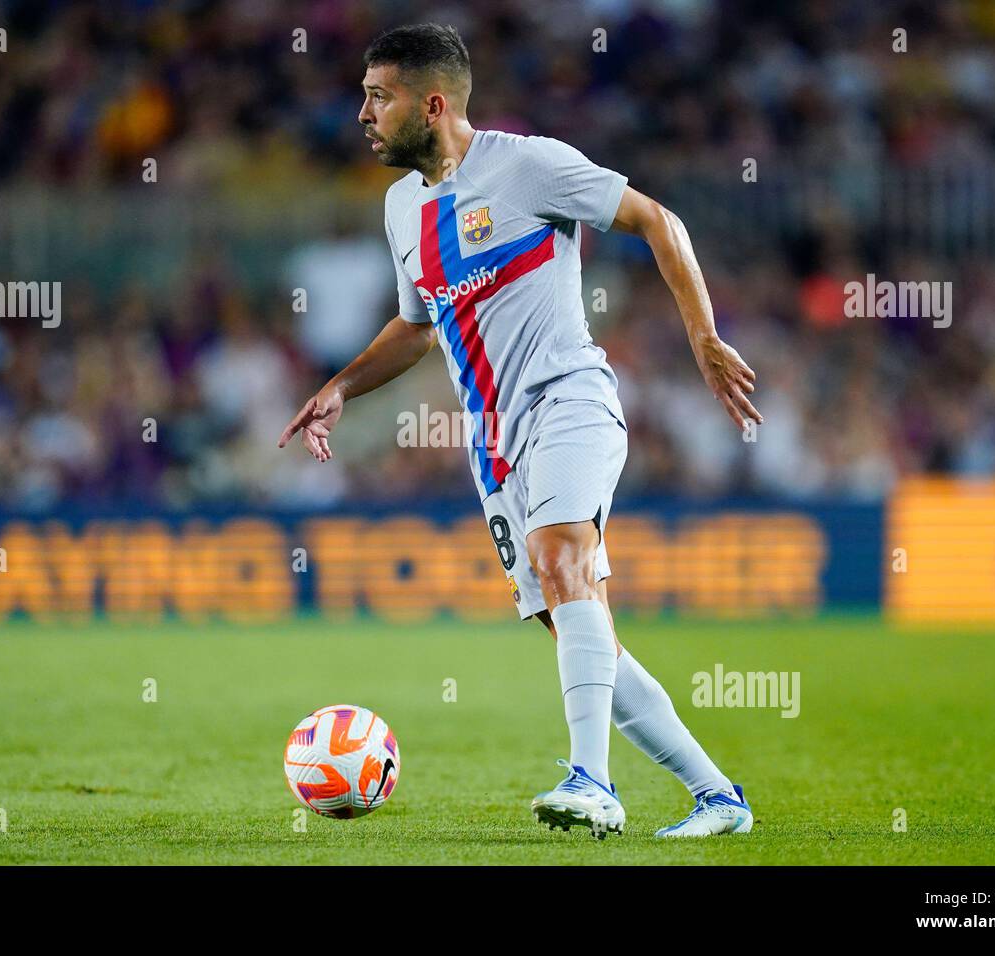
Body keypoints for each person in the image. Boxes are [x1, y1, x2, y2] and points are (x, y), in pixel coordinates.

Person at [279, 23, 761, 839]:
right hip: (493, 443)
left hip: (569, 396)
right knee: (577, 620)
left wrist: (705, 337)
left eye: (378, 96)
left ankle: (592, 783)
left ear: (432, 104)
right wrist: (341, 388)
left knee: (561, 554)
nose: (361, 113)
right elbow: (416, 328)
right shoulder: (402, 210)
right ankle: (720, 798)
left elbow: (656, 219)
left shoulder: (528, 165)